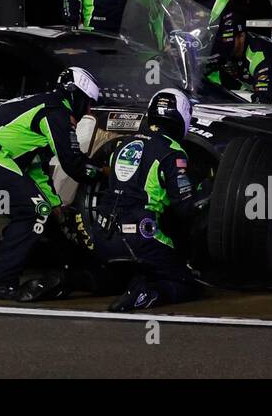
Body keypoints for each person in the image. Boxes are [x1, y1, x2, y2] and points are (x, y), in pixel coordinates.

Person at [0, 67, 103, 301]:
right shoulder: (56, 112)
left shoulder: (45, 103)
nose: (89, 110)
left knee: (43, 212)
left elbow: (35, 167)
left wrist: (55, 205)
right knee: (33, 212)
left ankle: (72, 267)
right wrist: (105, 174)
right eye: (88, 103)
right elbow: (74, 164)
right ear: (76, 96)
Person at [86, 88, 202, 312]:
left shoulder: (122, 144)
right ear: (180, 116)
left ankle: (71, 280)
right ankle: (147, 293)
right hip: (140, 237)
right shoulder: (172, 151)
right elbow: (184, 206)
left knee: (115, 279)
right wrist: (204, 192)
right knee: (188, 285)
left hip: (101, 236)